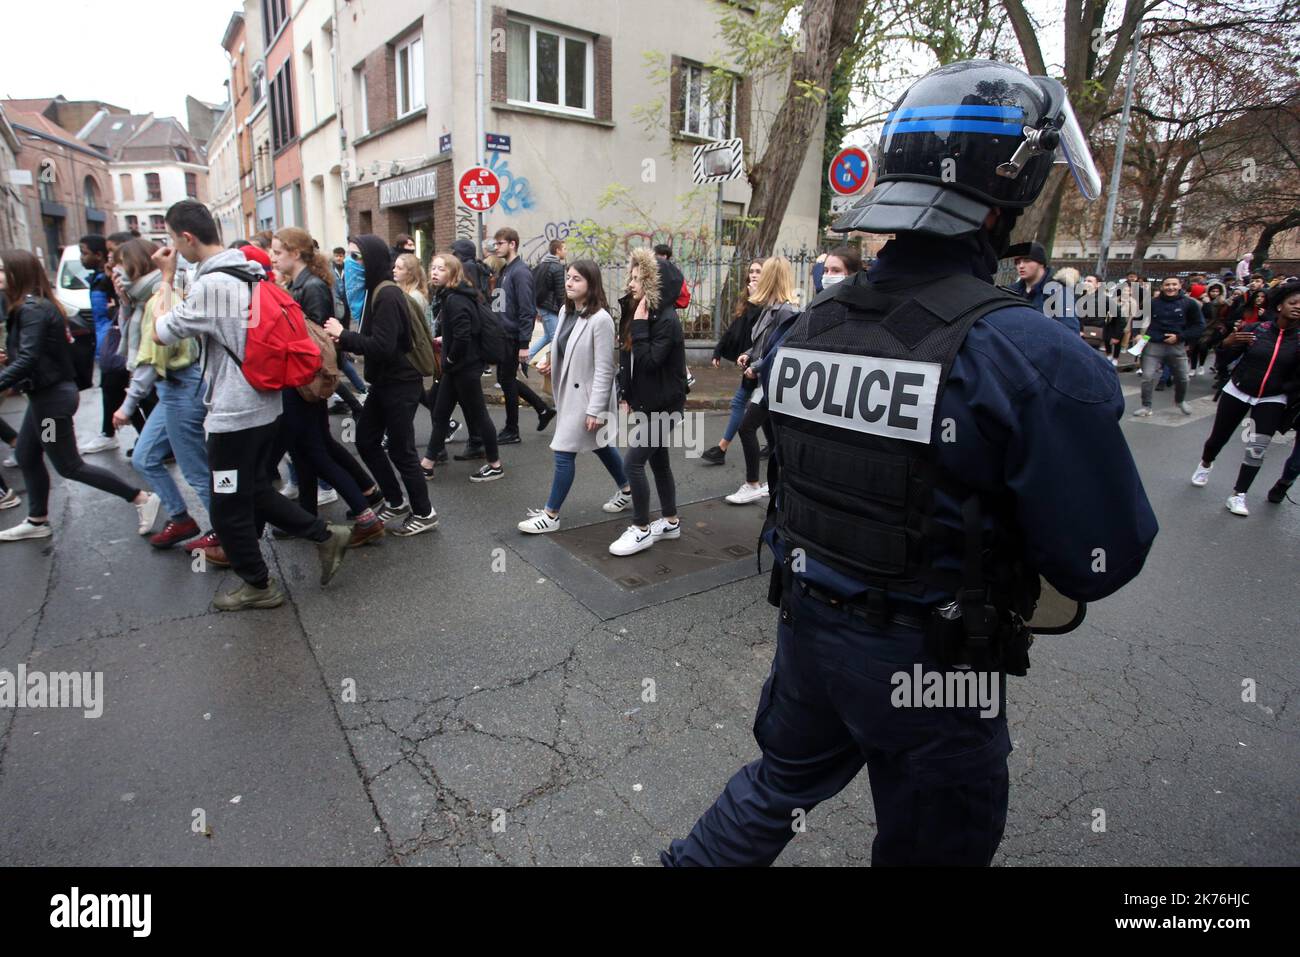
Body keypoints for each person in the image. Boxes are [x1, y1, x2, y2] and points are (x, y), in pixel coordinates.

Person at [662, 60, 1156, 867]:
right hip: (934, 666)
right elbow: (1100, 559)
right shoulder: (1032, 355)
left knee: (774, 787)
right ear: (1006, 200)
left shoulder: (804, 327)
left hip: (809, 630)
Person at [151, 201, 352, 610]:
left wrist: (166, 279)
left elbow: (160, 332)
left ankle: (259, 586)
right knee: (256, 488)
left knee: (228, 506)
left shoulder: (213, 288)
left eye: (174, 239)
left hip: (234, 414)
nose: (174, 247)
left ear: (186, 238)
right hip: (267, 405)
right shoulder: (249, 271)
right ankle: (325, 535)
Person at [0, 249, 161, 543]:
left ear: (16, 274)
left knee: (68, 465)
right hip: (44, 398)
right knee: (26, 454)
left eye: (2, 270)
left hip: (50, 402)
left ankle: (140, 497)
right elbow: (32, 354)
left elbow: (29, 357)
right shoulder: (37, 305)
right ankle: (37, 519)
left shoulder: (32, 309)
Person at [270, 227, 385, 547]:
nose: (274, 257)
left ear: (295, 253)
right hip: (301, 379)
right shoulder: (300, 283)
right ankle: (311, 515)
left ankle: (365, 513)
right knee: (307, 448)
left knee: (313, 450)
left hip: (305, 380)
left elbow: (316, 342)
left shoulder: (313, 286)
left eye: (278, 251)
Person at [324, 235, 438, 536]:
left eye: (356, 257)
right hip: (385, 382)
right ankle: (396, 500)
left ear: (372, 259)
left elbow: (384, 346)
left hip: (400, 383)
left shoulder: (386, 294)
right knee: (366, 440)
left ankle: (425, 513)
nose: (350, 263)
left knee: (402, 451)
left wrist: (344, 336)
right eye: (349, 256)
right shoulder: (377, 291)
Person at [110, 239, 214, 550]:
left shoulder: (160, 297)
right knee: (144, 458)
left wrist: (127, 406)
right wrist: (125, 303)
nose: (115, 274)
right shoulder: (147, 298)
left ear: (137, 266)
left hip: (182, 388)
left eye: (119, 267)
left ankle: (228, 535)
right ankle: (181, 519)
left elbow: (152, 355)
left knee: (196, 471)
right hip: (173, 390)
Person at [518, 260, 629, 533]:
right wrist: (552, 362)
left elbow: (604, 368)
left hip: (588, 398)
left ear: (591, 284)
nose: (569, 283)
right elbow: (566, 348)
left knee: (564, 452)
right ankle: (628, 489)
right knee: (601, 446)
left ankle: (551, 515)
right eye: (568, 277)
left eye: (577, 279)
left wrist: (595, 410)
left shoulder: (601, 319)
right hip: (569, 392)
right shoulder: (566, 311)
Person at [1190, 280, 1300, 516]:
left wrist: (1282, 386)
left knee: (1257, 448)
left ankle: (1238, 495)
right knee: (1217, 439)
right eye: (1293, 302)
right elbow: (1223, 360)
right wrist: (1226, 344)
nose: (1298, 307)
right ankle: (1206, 463)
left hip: (1272, 398)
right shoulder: (1256, 330)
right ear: (1280, 306)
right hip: (1238, 390)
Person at [609, 247, 686, 556]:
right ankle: (670, 521)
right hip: (648, 403)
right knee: (658, 461)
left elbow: (651, 362)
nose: (631, 283)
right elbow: (628, 360)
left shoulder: (666, 320)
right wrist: (626, 393)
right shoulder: (640, 312)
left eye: (639, 279)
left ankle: (641, 528)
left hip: (665, 406)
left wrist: (639, 327)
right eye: (632, 276)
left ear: (654, 286)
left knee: (633, 462)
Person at [418, 252, 503, 484]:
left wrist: (451, 359)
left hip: (464, 368)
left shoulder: (456, 299)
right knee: (441, 413)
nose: (435, 272)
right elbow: (461, 331)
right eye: (433, 268)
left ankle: (495, 464)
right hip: (456, 368)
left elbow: (464, 336)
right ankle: (427, 464)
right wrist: (446, 342)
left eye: (441, 269)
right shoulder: (452, 295)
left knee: (479, 415)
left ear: (453, 273)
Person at [724, 256, 799, 506]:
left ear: (772, 277)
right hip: (765, 381)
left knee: (747, 428)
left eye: (762, 272)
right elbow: (762, 344)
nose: (755, 277)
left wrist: (756, 367)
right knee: (773, 435)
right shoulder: (771, 307)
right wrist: (748, 354)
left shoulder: (786, 310)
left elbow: (781, 350)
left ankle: (753, 483)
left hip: (771, 383)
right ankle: (780, 482)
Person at [492, 227, 555, 444]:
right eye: (496, 243)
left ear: (512, 244)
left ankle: (512, 430)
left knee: (506, 380)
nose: (496, 247)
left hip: (512, 336)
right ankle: (543, 409)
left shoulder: (520, 272)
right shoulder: (505, 271)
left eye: (500, 243)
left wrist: (523, 344)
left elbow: (527, 309)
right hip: (502, 336)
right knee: (505, 379)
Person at [700, 258, 765, 466]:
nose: (753, 275)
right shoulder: (750, 299)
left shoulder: (769, 303)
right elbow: (736, 327)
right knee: (764, 410)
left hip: (761, 363)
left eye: (759, 271)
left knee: (741, 404)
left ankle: (721, 448)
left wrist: (755, 300)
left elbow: (758, 332)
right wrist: (718, 350)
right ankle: (775, 447)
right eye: (752, 271)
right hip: (751, 362)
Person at [76, 234, 127, 455]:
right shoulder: (103, 278)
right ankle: (110, 433)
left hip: (116, 343)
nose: (109, 257)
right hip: (110, 342)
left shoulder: (114, 281)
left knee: (124, 391)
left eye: (84, 252)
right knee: (120, 391)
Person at [1133, 276, 1202, 417]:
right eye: (1167, 285)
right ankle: (1146, 406)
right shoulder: (1152, 303)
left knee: (1183, 378)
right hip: (1152, 344)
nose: (1171, 287)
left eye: (1174, 284)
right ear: (1162, 287)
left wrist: (1180, 337)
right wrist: (1136, 334)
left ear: (1179, 286)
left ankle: (1180, 401)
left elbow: (1199, 325)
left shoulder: (1190, 303)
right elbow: (1137, 318)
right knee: (1147, 377)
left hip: (1176, 346)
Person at [529, 239, 566, 362]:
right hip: (550, 308)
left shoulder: (541, 264)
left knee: (547, 337)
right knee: (556, 339)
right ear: (558, 250)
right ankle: (554, 365)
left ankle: (525, 359)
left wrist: (537, 308)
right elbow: (560, 292)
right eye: (564, 249)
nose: (566, 252)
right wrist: (564, 310)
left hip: (542, 306)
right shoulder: (557, 267)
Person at [1010, 240, 1052, 313]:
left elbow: (1068, 324)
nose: (1021, 266)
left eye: (1027, 260)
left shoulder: (1058, 292)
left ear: (1041, 263)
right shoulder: (1011, 291)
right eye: (1018, 262)